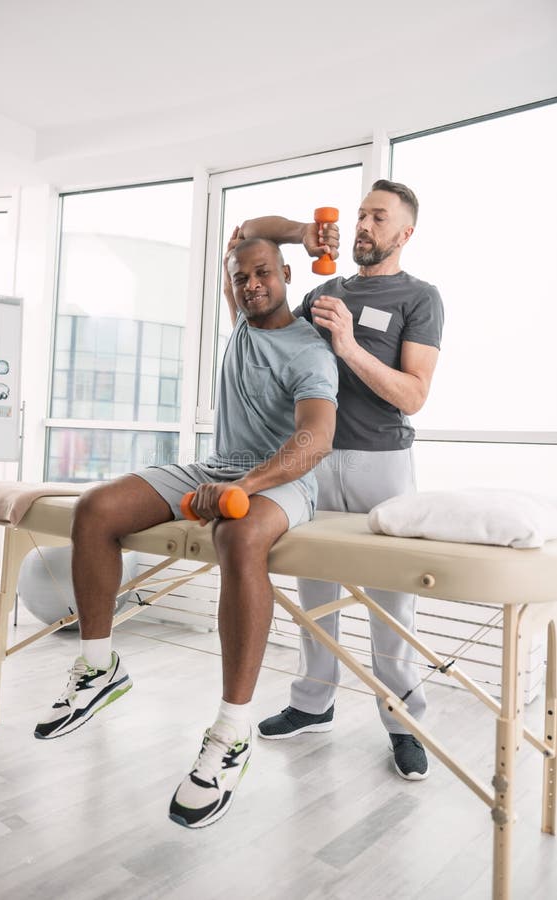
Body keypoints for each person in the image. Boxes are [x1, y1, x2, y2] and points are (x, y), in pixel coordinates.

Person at [34, 238, 338, 829]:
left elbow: (314, 440)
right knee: (95, 509)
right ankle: (99, 667)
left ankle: (232, 730)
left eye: (264, 274)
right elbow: (246, 236)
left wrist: (246, 489)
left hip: (281, 481)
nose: (251, 284)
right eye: (241, 277)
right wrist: (302, 227)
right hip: (215, 464)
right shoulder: (243, 321)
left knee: (239, 538)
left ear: (287, 276)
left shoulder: (308, 350)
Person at [229, 179, 444, 780]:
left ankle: (403, 723)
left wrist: (348, 344)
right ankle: (310, 704)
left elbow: (415, 394)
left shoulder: (420, 297)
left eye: (379, 218)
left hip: (382, 462)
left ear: (404, 233)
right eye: (360, 215)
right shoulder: (323, 289)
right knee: (315, 593)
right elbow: (248, 234)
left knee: (390, 602)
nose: (364, 226)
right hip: (314, 461)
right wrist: (299, 232)